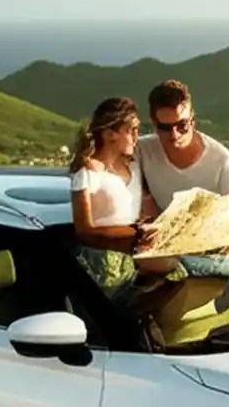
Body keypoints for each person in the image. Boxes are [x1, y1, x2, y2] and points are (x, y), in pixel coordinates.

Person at [134, 79, 229, 284]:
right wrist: (144, 199)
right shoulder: (142, 151)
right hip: (159, 249)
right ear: (154, 124)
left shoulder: (223, 163)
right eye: (165, 128)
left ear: (193, 120)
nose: (174, 135)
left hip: (210, 254)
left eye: (182, 125)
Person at [67, 97, 179, 292]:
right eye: (131, 131)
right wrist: (137, 233)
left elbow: (148, 211)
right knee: (189, 266)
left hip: (143, 252)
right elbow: (84, 231)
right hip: (109, 263)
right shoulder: (88, 173)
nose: (137, 137)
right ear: (111, 135)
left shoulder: (134, 168)